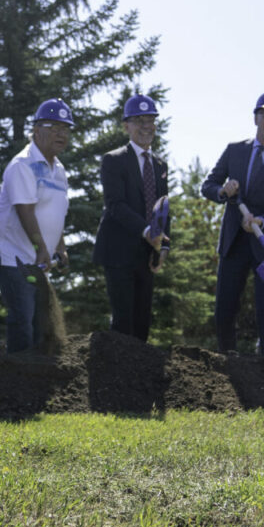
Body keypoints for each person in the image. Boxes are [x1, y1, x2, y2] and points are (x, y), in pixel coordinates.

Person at [200, 89, 264, 358]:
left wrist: (261, 221)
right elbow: (207, 186)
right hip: (234, 242)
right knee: (225, 309)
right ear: (256, 118)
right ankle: (227, 363)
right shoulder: (234, 152)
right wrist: (223, 191)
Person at [0, 98, 72, 355]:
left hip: (34, 254)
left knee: (37, 318)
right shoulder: (22, 165)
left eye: (65, 129)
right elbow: (25, 210)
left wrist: (60, 246)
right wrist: (42, 248)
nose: (61, 133)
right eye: (53, 127)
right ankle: (18, 372)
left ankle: (34, 373)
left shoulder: (59, 170)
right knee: (23, 313)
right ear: (36, 130)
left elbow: (55, 212)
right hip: (10, 253)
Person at [93, 94, 170, 342]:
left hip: (146, 254)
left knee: (142, 323)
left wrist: (164, 246)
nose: (146, 126)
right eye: (139, 121)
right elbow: (115, 205)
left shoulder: (159, 164)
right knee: (123, 323)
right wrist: (147, 232)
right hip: (118, 251)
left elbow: (163, 207)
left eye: (150, 120)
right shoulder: (113, 160)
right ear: (126, 125)